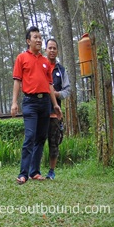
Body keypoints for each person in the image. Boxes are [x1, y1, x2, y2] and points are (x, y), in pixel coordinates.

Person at [11, 26, 62, 184]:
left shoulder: (46, 62)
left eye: (40, 37)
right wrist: (14, 102)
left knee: (41, 137)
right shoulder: (21, 58)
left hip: (45, 102)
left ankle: (34, 172)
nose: (39, 40)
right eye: (35, 37)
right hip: (30, 102)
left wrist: (55, 105)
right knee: (30, 136)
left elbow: (50, 85)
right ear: (28, 41)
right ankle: (23, 173)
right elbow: (17, 81)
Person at [45, 38, 71, 180]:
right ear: (46, 50)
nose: (52, 50)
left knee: (54, 143)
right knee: (36, 141)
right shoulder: (40, 65)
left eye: (55, 48)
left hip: (55, 113)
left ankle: (51, 171)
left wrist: (56, 94)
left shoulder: (61, 70)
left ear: (57, 51)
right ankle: (33, 171)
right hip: (40, 111)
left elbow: (67, 90)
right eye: (50, 48)